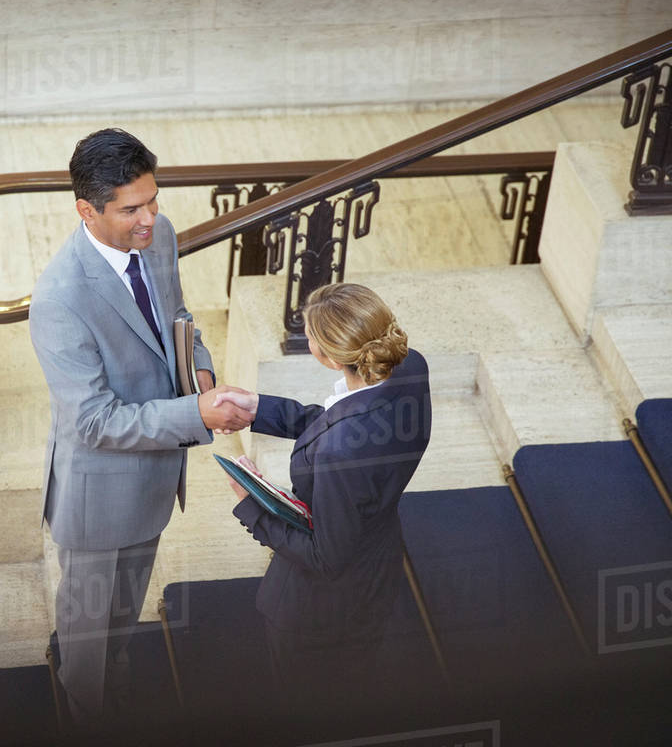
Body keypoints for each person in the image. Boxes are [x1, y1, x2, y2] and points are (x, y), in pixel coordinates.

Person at [29, 127, 254, 726]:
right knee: (85, 637)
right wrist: (196, 416)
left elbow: (178, 320)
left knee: (121, 621)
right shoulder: (59, 298)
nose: (150, 218)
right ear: (88, 210)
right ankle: (86, 711)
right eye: (131, 209)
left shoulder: (159, 237)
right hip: (98, 493)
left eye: (152, 199)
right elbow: (93, 421)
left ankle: (116, 678)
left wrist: (201, 376)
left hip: (154, 474)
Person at [213, 282, 431, 712]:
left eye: (310, 334)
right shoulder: (410, 368)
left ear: (326, 356)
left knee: (310, 707)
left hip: (320, 613)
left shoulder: (339, 453)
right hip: (376, 565)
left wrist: (251, 504)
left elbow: (325, 557)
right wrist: (261, 407)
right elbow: (345, 424)